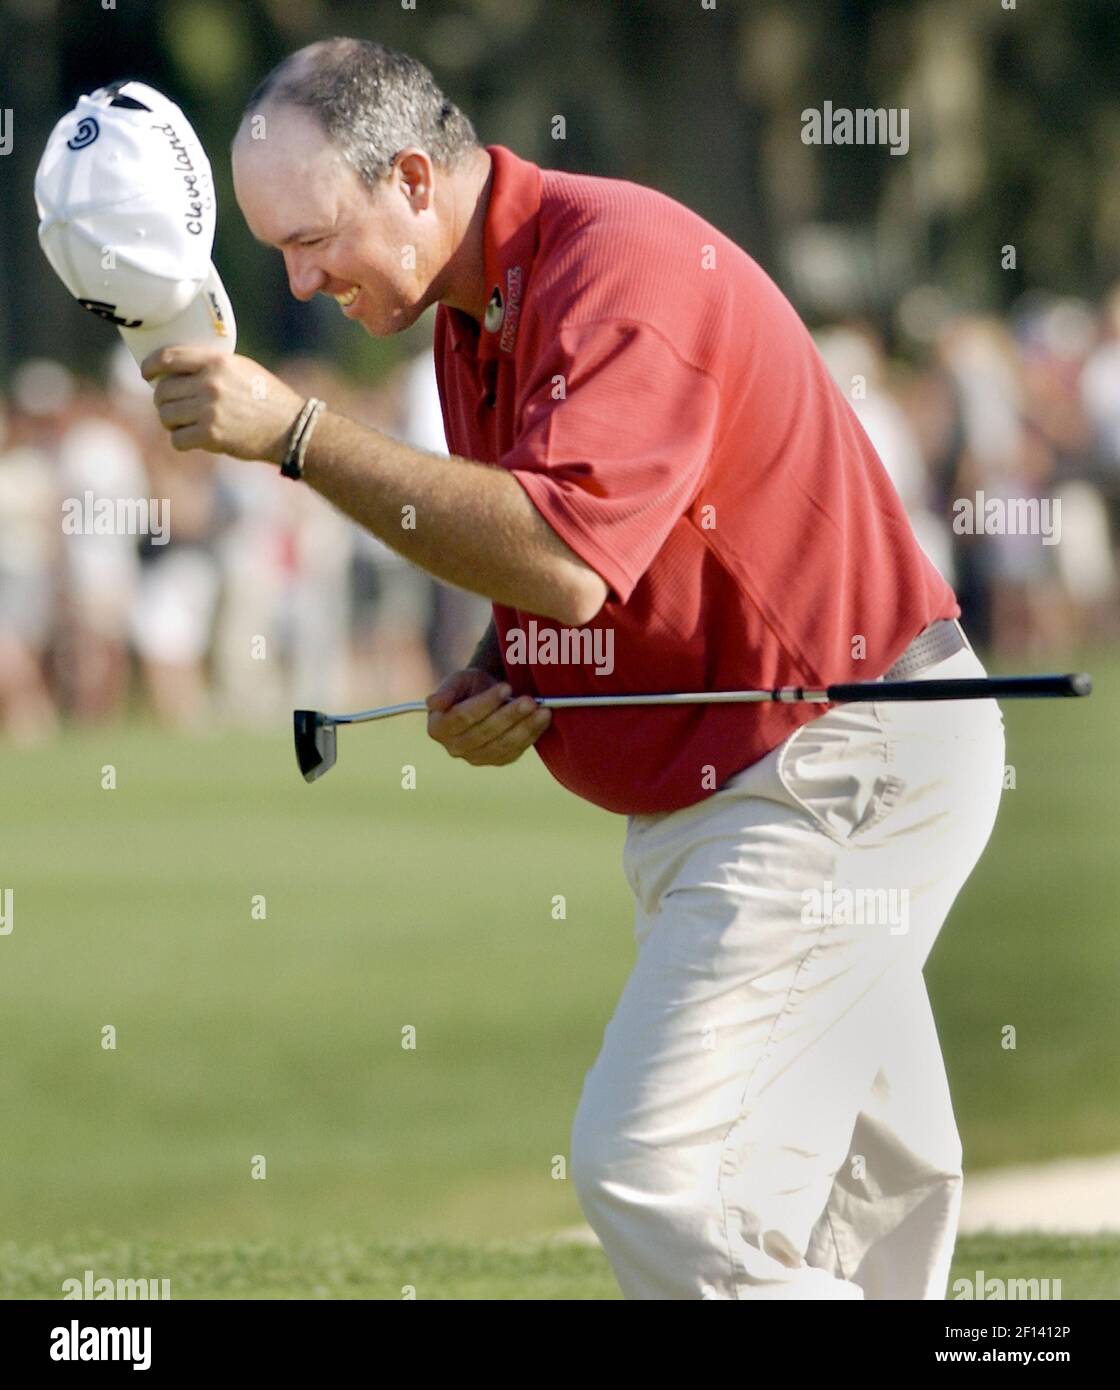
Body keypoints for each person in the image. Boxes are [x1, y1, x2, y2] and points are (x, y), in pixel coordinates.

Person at [142, 37, 1006, 1300]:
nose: (300, 277)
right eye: (278, 249)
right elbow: (584, 563)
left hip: (833, 761)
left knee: (660, 1171)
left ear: (416, 183)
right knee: (854, 1223)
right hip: (756, 779)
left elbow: (563, 552)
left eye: (313, 236)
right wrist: (517, 664)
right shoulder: (472, 303)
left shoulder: (621, 266)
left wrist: (299, 435)